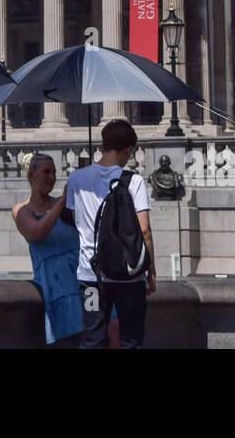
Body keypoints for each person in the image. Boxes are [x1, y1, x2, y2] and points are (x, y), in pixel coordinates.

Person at [65, 118, 155, 349]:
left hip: (90, 276)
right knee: (131, 339)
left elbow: (76, 222)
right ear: (128, 149)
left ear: (103, 145)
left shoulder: (76, 179)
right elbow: (144, 229)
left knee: (92, 337)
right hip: (129, 277)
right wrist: (150, 268)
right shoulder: (133, 181)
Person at [13, 152, 84, 346]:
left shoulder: (68, 206)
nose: (52, 177)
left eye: (54, 172)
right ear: (31, 175)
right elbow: (35, 233)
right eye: (46, 172)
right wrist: (61, 202)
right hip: (55, 291)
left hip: (83, 287)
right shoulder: (22, 210)